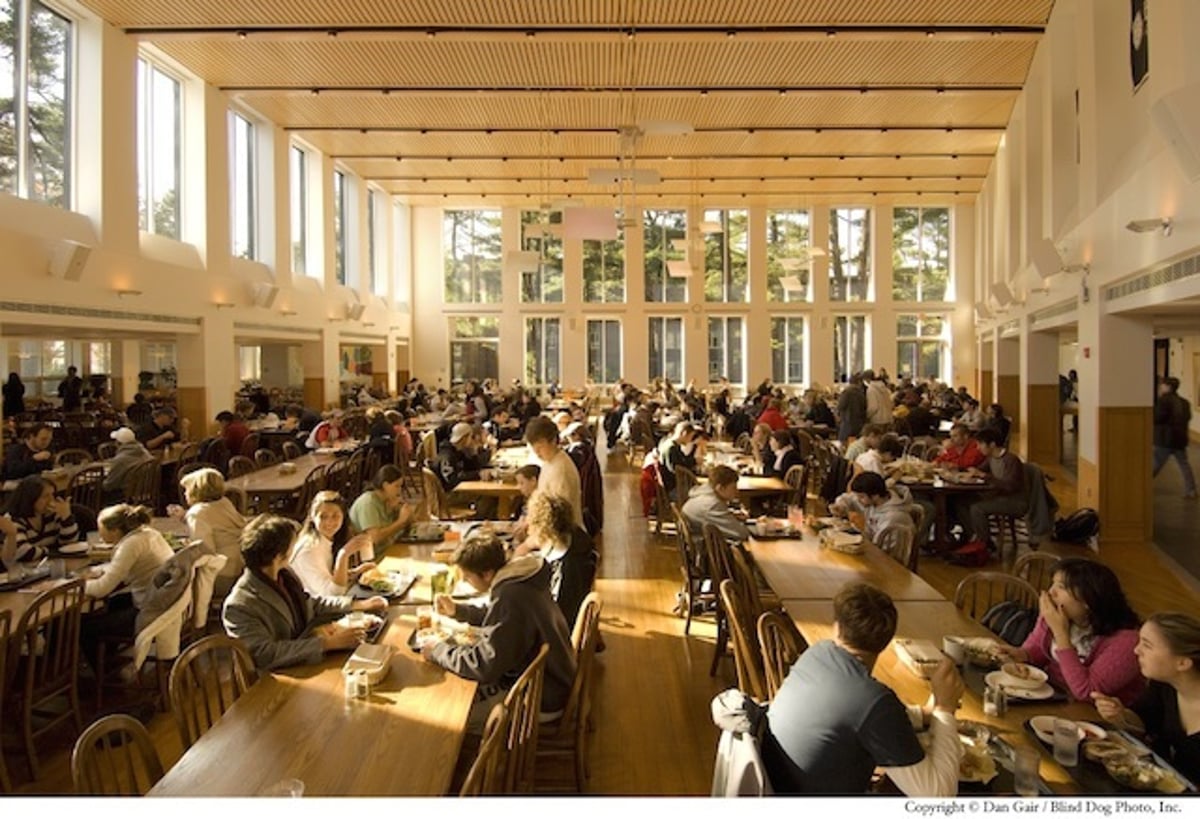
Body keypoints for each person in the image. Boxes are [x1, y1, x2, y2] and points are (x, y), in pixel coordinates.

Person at [762, 582, 963, 795]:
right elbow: (938, 796)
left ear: (837, 628)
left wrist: (922, 715)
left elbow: (853, 718)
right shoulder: (875, 702)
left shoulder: (817, 653)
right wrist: (944, 709)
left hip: (776, 787)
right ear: (886, 642)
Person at [421, 531, 576, 733]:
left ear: (486, 573)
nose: (466, 582)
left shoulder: (510, 595)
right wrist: (458, 611)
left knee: (448, 717)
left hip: (543, 697)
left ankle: (478, 761)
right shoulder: (521, 579)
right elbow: (502, 618)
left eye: (467, 577)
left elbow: (484, 665)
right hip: (554, 678)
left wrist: (438, 651)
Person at [222, 514, 387, 671]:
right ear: (278, 556)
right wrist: (328, 643)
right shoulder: (239, 605)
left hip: (308, 658)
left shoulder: (284, 574)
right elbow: (264, 654)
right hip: (279, 678)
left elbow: (310, 603)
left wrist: (357, 604)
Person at [995, 557, 1143, 705]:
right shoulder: (1059, 615)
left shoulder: (1128, 642)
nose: (1051, 592)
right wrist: (1022, 654)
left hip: (1093, 715)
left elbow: (1086, 691)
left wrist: (1061, 633)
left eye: (1061, 587)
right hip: (1054, 696)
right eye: (1052, 584)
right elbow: (1037, 651)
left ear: (1088, 599)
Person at [1092, 612, 1200, 783]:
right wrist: (1120, 714)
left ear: (1183, 663)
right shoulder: (1164, 685)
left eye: (1147, 645)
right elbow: (1143, 721)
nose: (1136, 650)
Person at [78, 504, 174, 670]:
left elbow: (102, 589)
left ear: (114, 530)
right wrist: (99, 571)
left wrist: (75, 585)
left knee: (85, 627)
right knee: (114, 603)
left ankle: (106, 671)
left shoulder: (130, 544)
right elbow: (119, 567)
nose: (99, 534)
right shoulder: (148, 533)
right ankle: (110, 660)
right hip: (164, 604)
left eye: (101, 529)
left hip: (150, 613)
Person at [515, 492, 597, 629]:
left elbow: (557, 614)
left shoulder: (566, 569)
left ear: (541, 528)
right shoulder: (573, 538)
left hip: (556, 636)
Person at [173, 467, 247, 598]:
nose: (185, 494)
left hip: (221, 577)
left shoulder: (197, 513)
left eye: (186, 490)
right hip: (240, 569)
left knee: (173, 579)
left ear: (195, 491)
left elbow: (204, 552)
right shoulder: (224, 503)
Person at [288, 490, 377, 597]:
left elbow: (326, 577)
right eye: (323, 516)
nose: (329, 522)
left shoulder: (327, 540)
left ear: (343, 517)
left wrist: (352, 573)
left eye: (335, 516)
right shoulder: (308, 550)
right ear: (312, 516)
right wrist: (344, 554)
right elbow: (333, 595)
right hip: (310, 609)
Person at [958, 427, 1026, 552]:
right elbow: (979, 470)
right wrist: (968, 472)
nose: (978, 448)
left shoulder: (1011, 460)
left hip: (1013, 501)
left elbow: (1010, 486)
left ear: (992, 444)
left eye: (980, 444)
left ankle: (983, 544)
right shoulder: (991, 458)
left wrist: (985, 476)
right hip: (997, 496)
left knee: (977, 508)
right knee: (961, 501)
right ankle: (973, 536)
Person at [832, 472, 918, 561]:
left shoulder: (893, 517)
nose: (858, 500)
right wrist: (841, 506)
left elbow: (884, 552)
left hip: (886, 562)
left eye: (861, 497)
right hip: (871, 551)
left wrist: (861, 530)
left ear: (875, 496)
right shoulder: (874, 500)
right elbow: (848, 498)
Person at [2, 474, 79, 562]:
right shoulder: (14, 519)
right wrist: (52, 551)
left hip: (50, 565)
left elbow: (70, 544)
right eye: (45, 496)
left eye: (52, 494)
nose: (51, 500)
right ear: (30, 499)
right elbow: (23, 552)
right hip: (25, 570)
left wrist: (66, 517)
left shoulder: (52, 514)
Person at [524, 415, 582, 529]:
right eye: (534, 448)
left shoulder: (561, 470)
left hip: (563, 537)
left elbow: (558, 519)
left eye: (540, 447)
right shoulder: (550, 460)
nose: (537, 453)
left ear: (554, 441)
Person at [349, 465, 416, 548]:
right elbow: (375, 538)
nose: (399, 490)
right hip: (375, 556)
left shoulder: (388, 500)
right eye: (397, 486)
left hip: (389, 548)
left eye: (401, 486)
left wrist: (405, 513)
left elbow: (412, 527)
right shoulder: (369, 503)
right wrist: (400, 521)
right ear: (385, 485)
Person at [680, 464, 750, 544]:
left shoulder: (703, 494)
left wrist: (731, 515)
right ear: (720, 488)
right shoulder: (712, 505)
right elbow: (741, 533)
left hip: (698, 542)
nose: (736, 491)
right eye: (733, 487)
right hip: (705, 549)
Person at [1153, 376, 1197, 499]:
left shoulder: (1163, 401)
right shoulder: (1184, 402)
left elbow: (1157, 418)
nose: (1160, 387)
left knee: (1155, 464)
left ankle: (1143, 485)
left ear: (1168, 387)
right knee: (1184, 465)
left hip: (1165, 439)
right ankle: (1191, 490)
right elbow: (1188, 417)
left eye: (1162, 385)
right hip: (1180, 439)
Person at [101, 427, 155, 504]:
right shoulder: (145, 452)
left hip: (127, 496)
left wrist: (101, 483)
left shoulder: (121, 459)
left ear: (118, 443)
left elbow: (109, 485)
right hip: (147, 492)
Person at [657, 421, 699, 497]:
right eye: (690, 436)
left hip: (673, 483)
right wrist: (695, 462)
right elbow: (677, 470)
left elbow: (682, 460)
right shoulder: (671, 448)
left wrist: (694, 460)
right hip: (674, 488)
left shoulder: (670, 442)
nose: (690, 440)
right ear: (684, 433)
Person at [836, 375, 868, 444]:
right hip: (858, 423)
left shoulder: (846, 392)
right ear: (859, 382)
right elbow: (864, 407)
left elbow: (840, 406)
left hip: (847, 422)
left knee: (844, 443)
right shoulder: (861, 394)